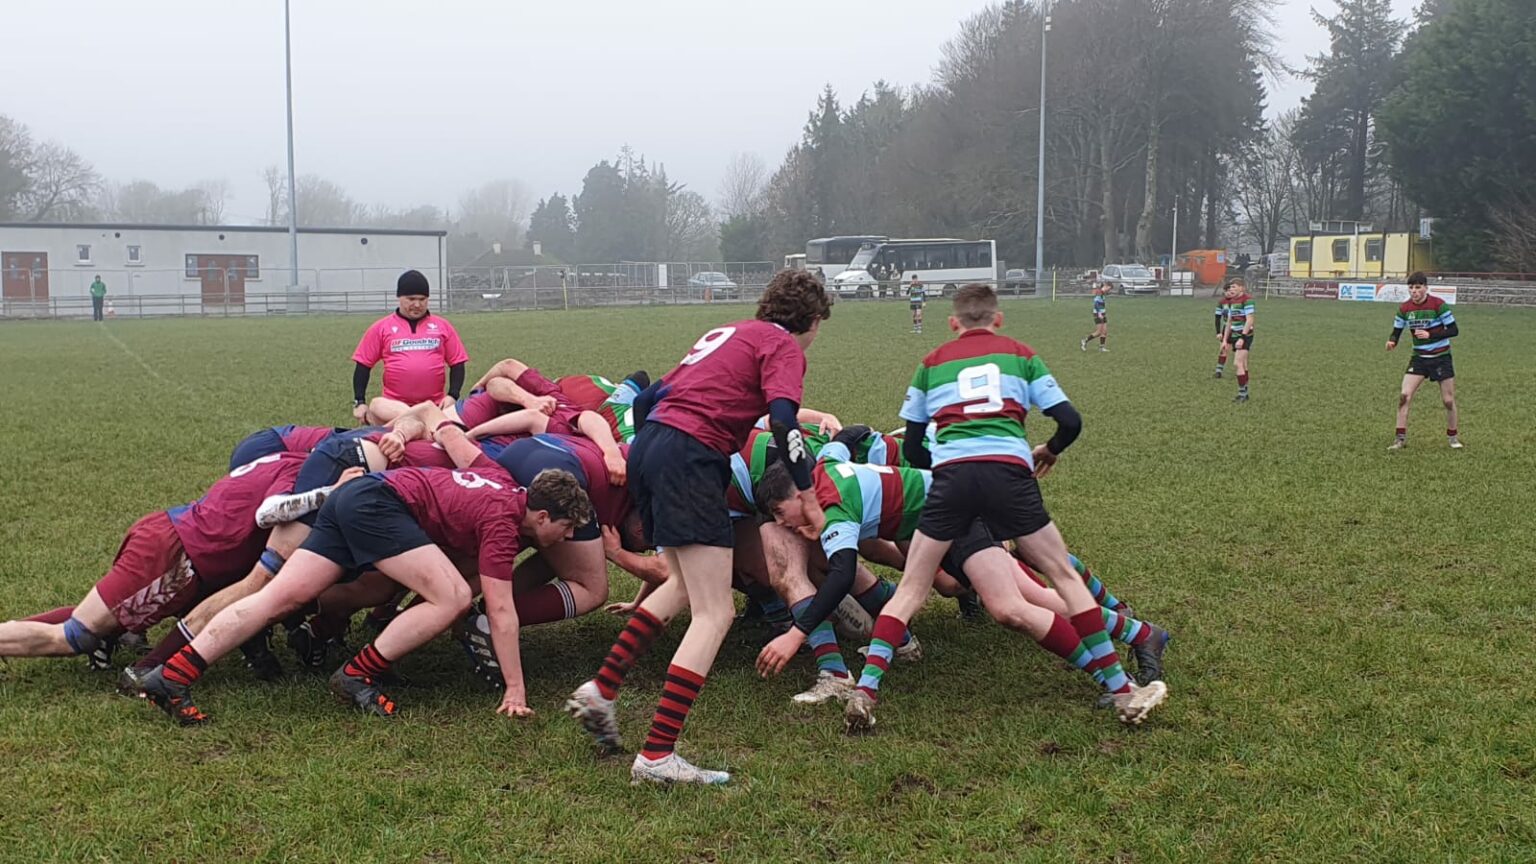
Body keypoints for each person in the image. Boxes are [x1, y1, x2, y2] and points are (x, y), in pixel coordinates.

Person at [844, 283, 1167, 732]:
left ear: (953, 323)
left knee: (912, 590)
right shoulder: (1020, 354)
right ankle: (1119, 688)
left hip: (951, 483)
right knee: (1061, 577)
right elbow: (1071, 421)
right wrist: (1050, 450)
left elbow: (915, 447)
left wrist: (947, 473)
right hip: (1009, 477)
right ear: (998, 319)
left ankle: (865, 691)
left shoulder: (931, 364)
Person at [564, 268, 833, 786]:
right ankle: (658, 756)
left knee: (685, 586)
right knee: (716, 613)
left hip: (650, 450)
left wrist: (661, 449)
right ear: (812, 321)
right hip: (689, 456)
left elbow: (644, 402)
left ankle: (602, 689)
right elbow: (783, 421)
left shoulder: (727, 332)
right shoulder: (784, 347)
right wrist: (805, 492)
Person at [135, 437, 591, 725]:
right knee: (451, 596)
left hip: (357, 495)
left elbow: (452, 436)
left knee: (277, 597)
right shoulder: (503, 523)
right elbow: (501, 611)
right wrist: (516, 689)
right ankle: (357, 674)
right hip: (375, 503)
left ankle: (171, 675)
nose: (567, 538)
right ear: (544, 515)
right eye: (567, 528)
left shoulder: (501, 484)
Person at [352, 270, 468, 424]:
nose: (417, 305)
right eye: (411, 299)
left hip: (435, 405)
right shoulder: (382, 327)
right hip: (393, 408)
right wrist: (359, 402)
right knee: (376, 407)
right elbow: (363, 366)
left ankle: (424, 421)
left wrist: (452, 395)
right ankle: (423, 421)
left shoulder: (442, 326)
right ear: (399, 297)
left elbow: (457, 363)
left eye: (422, 299)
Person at [1388, 271, 1460, 450]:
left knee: (1448, 401)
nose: (1414, 291)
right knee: (1404, 396)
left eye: (1418, 287)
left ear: (1426, 288)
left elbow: (1453, 330)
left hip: (1441, 358)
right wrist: (1392, 341)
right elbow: (1396, 330)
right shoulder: (1404, 308)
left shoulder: (1438, 305)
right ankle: (1399, 439)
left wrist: (1431, 334)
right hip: (1419, 358)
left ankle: (1452, 437)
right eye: (1411, 287)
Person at [1218, 278, 1255, 402]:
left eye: (1234, 287)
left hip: (1245, 336)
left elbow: (1250, 319)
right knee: (1243, 365)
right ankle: (1245, 393)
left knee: (1237, 363)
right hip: (1233, 335)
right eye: (1230, 287)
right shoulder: (1232, 302)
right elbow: (1229, 322)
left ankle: (1242, 394)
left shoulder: (1247, 300)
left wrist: (1242, 338)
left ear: (1241, 288)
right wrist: (1224, 340)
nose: (1231, 289)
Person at [1081, 282, 1109, 352]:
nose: (1108, 289)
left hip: (1103, 314)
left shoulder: (1102, 293)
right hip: (1098, 314)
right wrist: (1099, 313)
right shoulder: (1099, 293)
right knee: (1099, 332)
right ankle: (1085, 341)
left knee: (1104, 331)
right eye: (1108, 287)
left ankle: (1101, 348)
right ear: (1104, 287)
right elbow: (1096, 304)